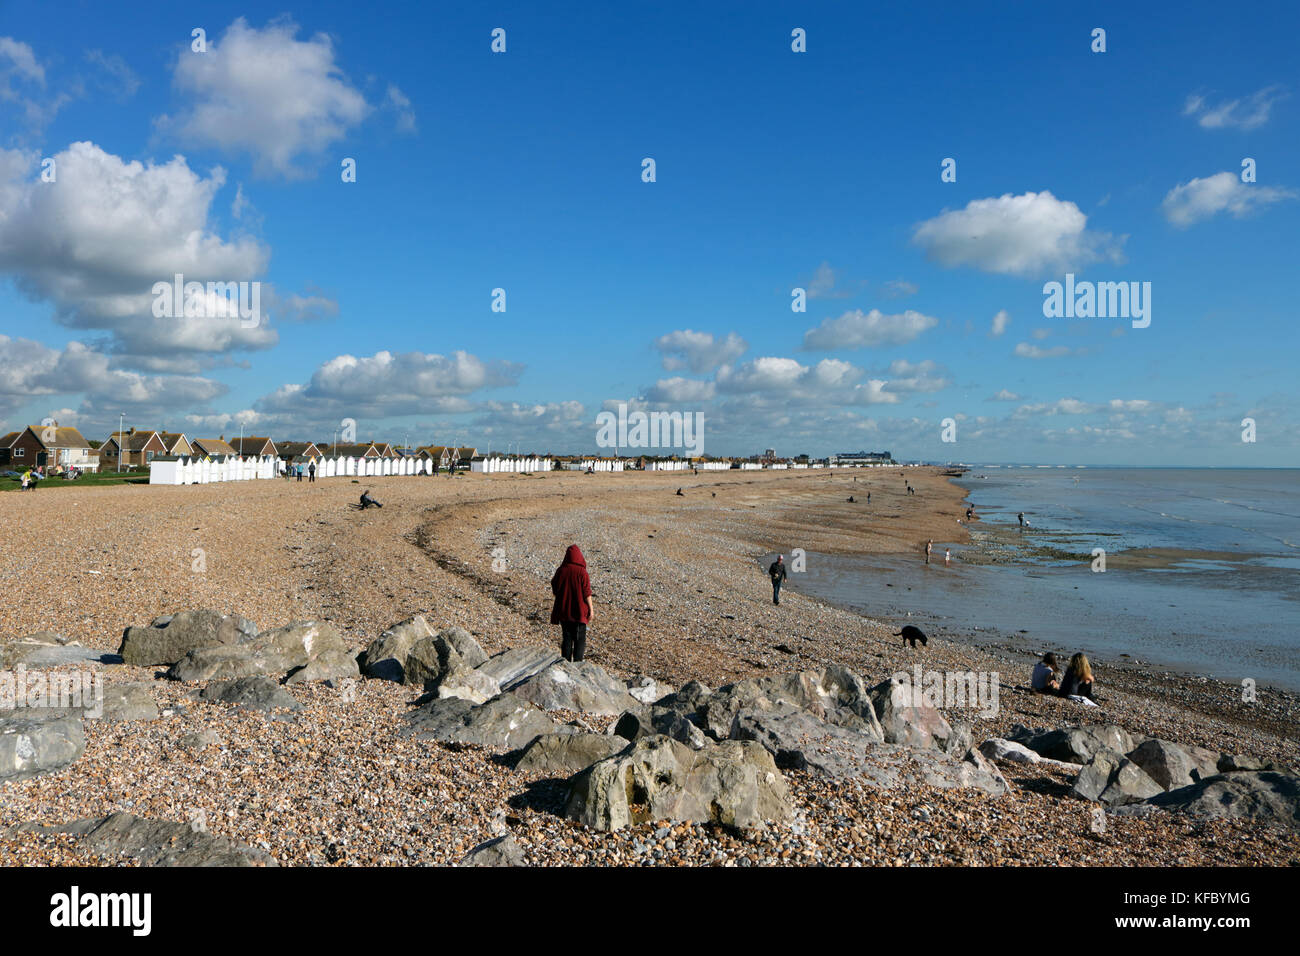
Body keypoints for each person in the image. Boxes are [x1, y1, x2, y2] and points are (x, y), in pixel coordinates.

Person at [551, 545, 593, 662]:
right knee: (579, 640)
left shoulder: (561, 570)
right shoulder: (582, 572)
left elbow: (555, 588)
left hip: (564, 612)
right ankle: (578, 665)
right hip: (580, 613)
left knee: (567, 638)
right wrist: (591, 609)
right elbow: (586, 592)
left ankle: (566, 663)